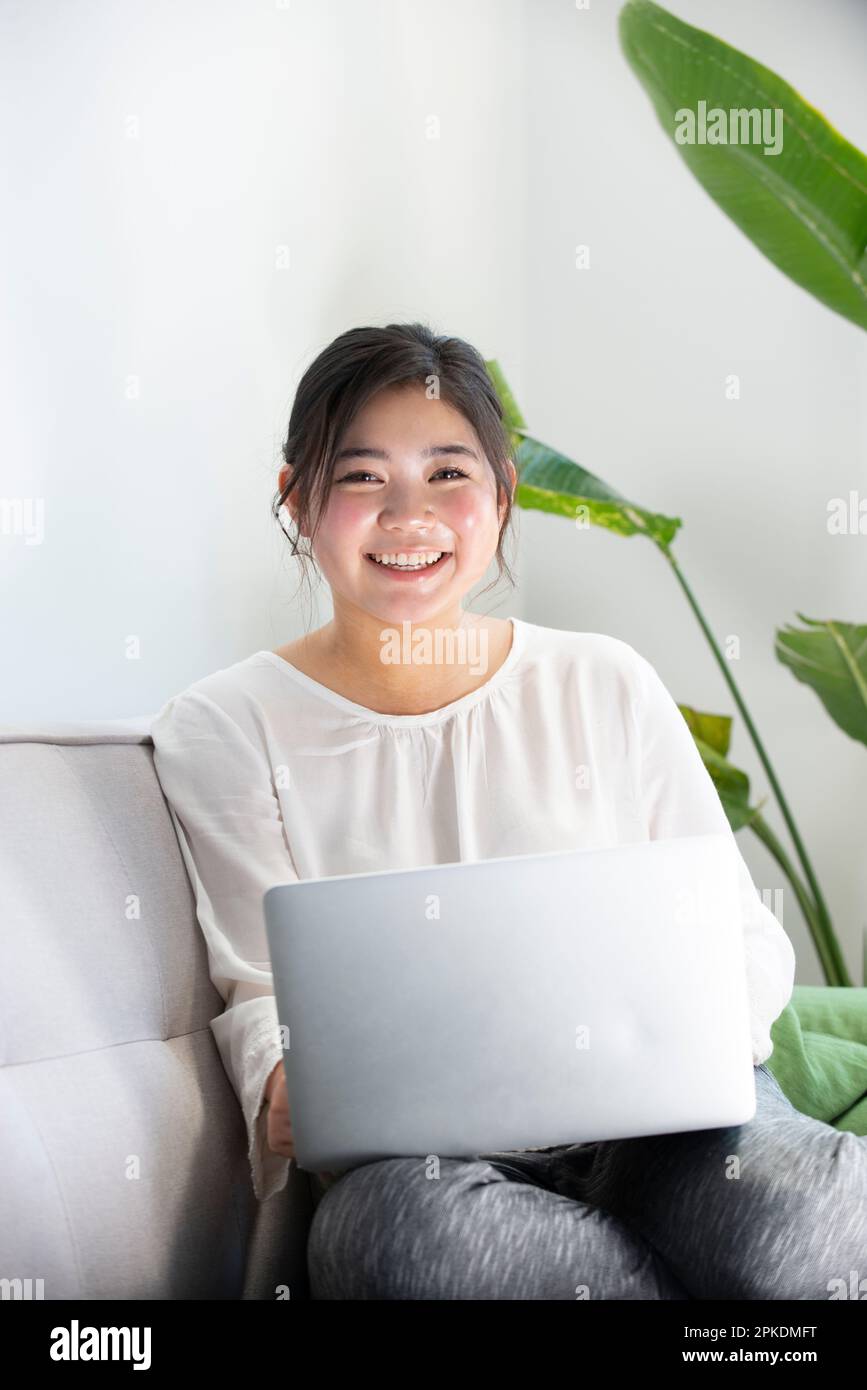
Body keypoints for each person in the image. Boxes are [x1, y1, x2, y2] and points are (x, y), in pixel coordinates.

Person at [150, 321, 866, 1300]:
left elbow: (741, 934)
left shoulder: (602, 680)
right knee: (398, 1246)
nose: (411, 515)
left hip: (669, 1129)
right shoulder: (223, 726)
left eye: (450, 474)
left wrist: (689, 1043)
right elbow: (263, 989)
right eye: (363, 478)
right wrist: (285, 1083)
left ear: (501, 499)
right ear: (298, 502)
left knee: (812, 1217)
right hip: (428, 1170)